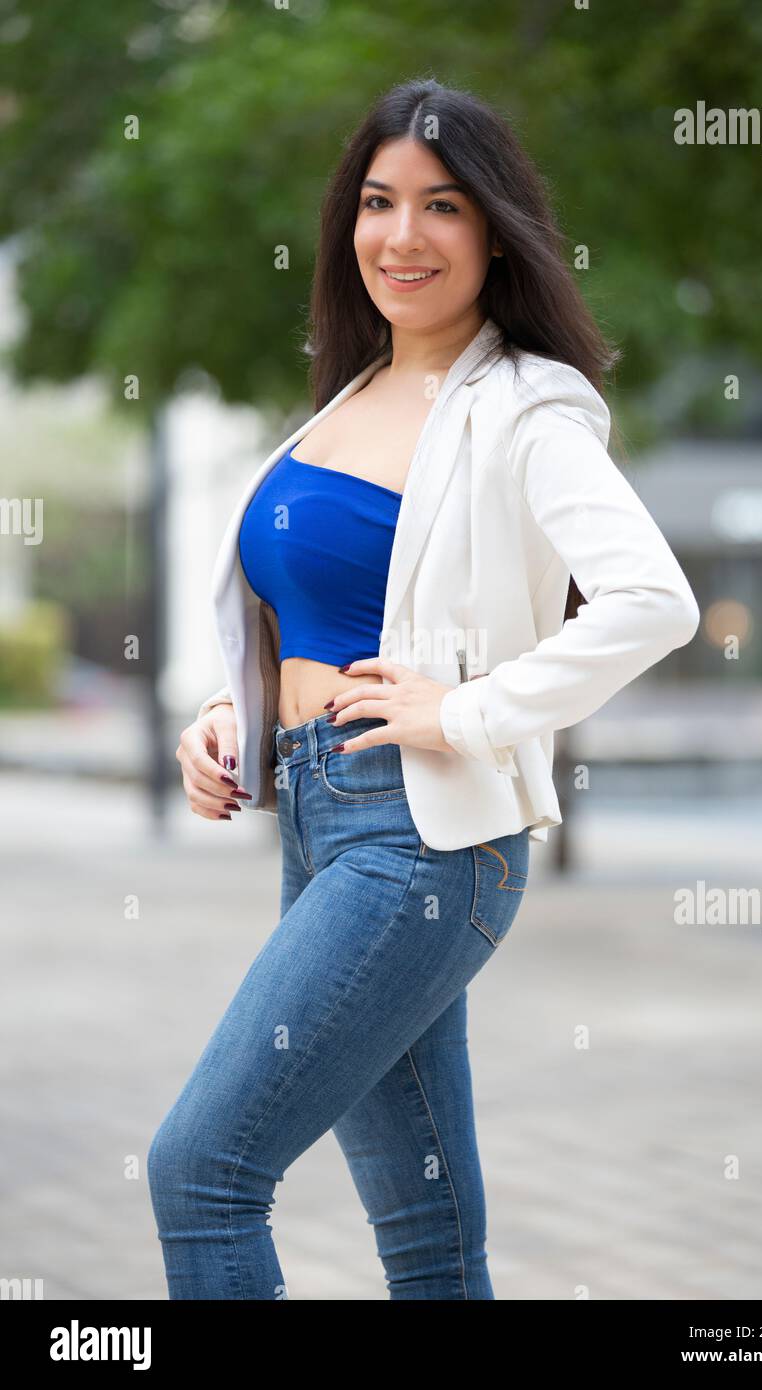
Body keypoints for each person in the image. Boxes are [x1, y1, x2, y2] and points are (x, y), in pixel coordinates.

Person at [148, 77, 700, 1300]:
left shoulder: (525, 407)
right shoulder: (345, 400)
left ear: (494, 230)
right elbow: (306, 615)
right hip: (314, 817)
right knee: (430, 1242)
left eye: (442, 206)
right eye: (378, 202)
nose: (402, 235)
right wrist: (231, 718)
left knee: (202, 1172)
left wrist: (465, 708)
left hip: (421, 842)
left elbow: (653, 601)